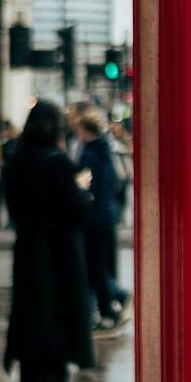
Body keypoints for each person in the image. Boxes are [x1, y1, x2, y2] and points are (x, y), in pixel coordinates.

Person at [3, 99, 94, 382]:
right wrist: (83, 190)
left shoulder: (16, 162)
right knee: (58, 335)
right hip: (59, 258)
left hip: (28, 255)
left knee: (30, 335)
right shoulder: (60, 166)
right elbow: (79, 211)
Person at [74, 104, 130, 328]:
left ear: (85, 130)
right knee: (98, 266)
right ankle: (105, 310)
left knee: (93, 268)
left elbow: (85, 188)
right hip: (108, 214)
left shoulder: (88, 154)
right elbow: (120, 180)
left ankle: (117, 297)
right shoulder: (107, 150)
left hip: (94, 217)